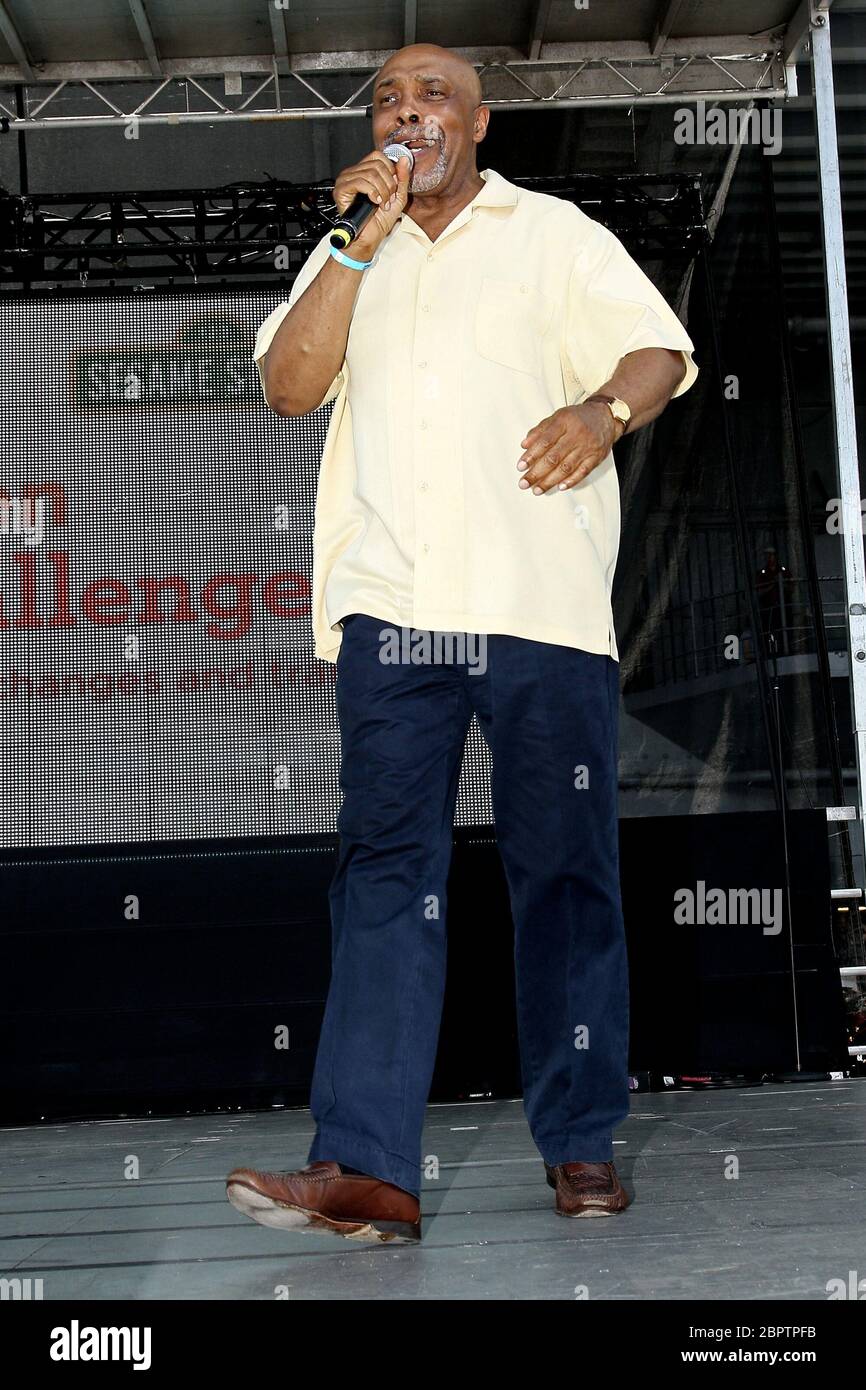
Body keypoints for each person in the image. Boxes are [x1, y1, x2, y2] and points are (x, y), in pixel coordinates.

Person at [226, 43, 699, 1244]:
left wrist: (602, 411)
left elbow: (657, 350)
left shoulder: (551, 234)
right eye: (385, 98)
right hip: (393, 609)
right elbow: (287, 385)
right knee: (384, 871)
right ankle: (366, 1168)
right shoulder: (350, 248)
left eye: (430, 94)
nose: (405, 112)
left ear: (477, 122)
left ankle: (580, 1139)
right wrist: (353, 246)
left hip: (539, 605)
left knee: (563, 870)